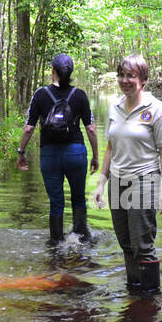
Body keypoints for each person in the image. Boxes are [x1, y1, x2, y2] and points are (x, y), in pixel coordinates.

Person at [92, 54, 162, 294]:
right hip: (117, 181)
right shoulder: (114, 107)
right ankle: (134, 290)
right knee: (126, 244)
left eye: (131, 75)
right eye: (122, 75)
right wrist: (101, 184)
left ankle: (150, 301)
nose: (125, 80)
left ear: (143, 80)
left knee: (142, 245)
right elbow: (110, 148)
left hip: (144, 180)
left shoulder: (156, 109)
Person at [16, 53, 99, 244]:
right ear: (70, 73)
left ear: (53, 71)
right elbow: (91, 128)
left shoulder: (40, 94)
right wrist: (95, 156)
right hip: (76, 153)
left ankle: (56, 244)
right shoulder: (79, 95)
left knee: (56, 202)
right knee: (78, 198)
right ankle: (81, 239)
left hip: (49, 154)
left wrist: (21, 152)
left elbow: (29, 128)